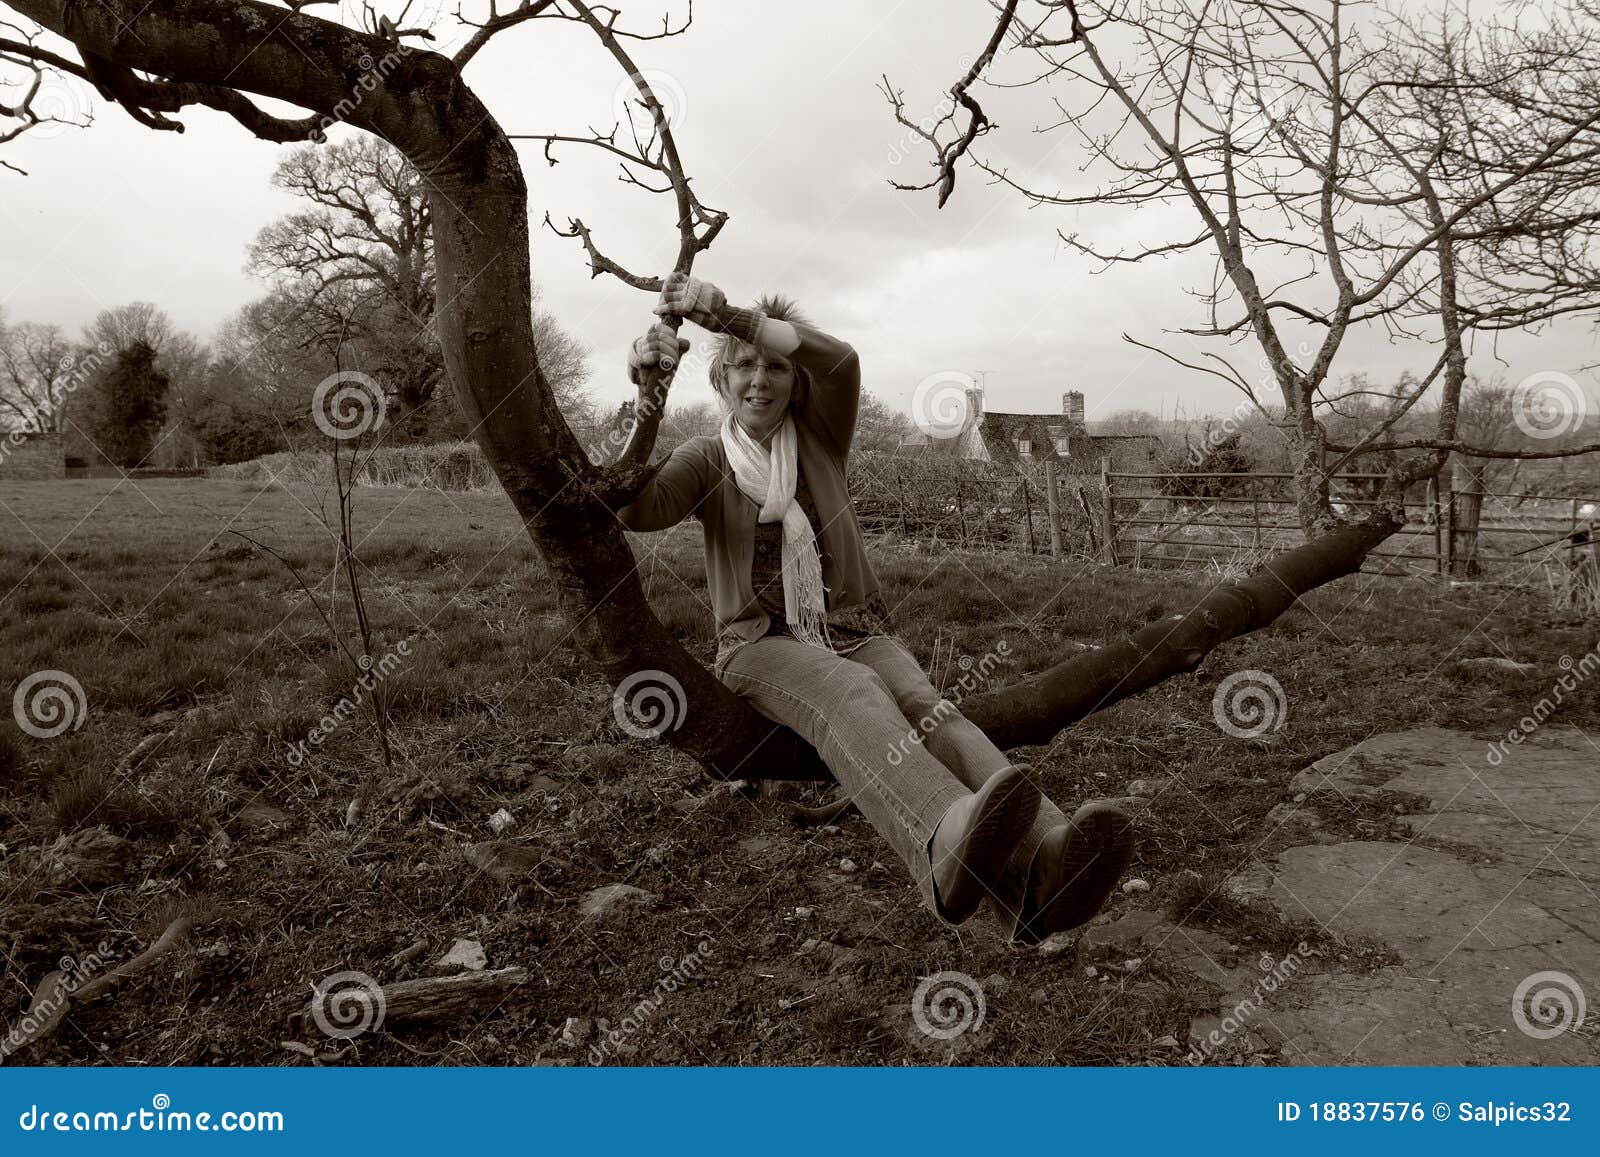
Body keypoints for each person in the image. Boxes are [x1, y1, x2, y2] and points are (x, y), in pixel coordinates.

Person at [617, 272, 1132, 942]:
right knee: (853, 688)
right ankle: (941, 836)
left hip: (853, 629)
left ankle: (1051, 859)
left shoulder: (821, 438)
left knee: (931, 709)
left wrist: (730, 317)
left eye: (775, 365)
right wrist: (648, 391)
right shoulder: (706, 457)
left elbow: (841, 360)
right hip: (760, 644)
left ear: (794, 381)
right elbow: (635, 508)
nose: (760, 379)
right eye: (743, 366)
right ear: (721, 381)